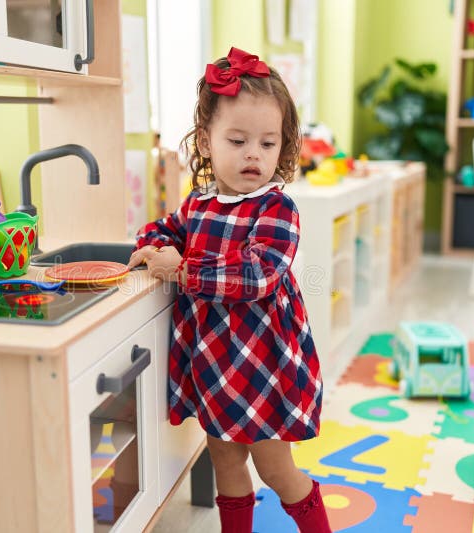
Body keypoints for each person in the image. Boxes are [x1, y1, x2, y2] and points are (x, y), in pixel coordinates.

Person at [128, 47, 331, 533]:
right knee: (225, 463)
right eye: (238, 140)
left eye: (268, 143)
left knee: (276, 470)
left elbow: (257, 275)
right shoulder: (199, 204)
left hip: (264, 367)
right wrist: (156, 247)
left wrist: (181, 270)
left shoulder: (276, 209)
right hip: (215, 367)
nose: (253, 155)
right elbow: (162, 230)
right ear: (206, 140)